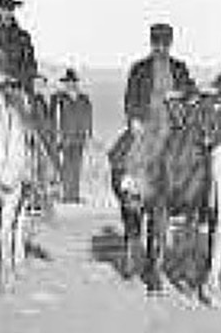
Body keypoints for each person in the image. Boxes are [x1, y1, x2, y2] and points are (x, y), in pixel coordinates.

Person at [110, 22, 198, 169]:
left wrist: (180, 93)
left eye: (165, 44)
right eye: (157, 44)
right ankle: (132, 180)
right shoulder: (139, 68)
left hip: (176, 119)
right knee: (136, 150)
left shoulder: (179, 67)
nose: (161, 48)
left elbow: (190, 90)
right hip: (148, 118)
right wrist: (134, 120)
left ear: (170, 45)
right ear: (152, 44)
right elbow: (130, 97)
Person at [50, 69, 94, 204]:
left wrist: (89, 135)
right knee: (65, 166)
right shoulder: (57, 98)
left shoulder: (84, 98)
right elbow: (53, 118)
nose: (71, 84)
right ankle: (65, 195)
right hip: (63, 136)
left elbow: (88, 117)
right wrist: (56, 135)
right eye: (68, 82)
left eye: (73, 82)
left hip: (79, 137)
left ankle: (74, 195)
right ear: (64, 83)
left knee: (76, 166)